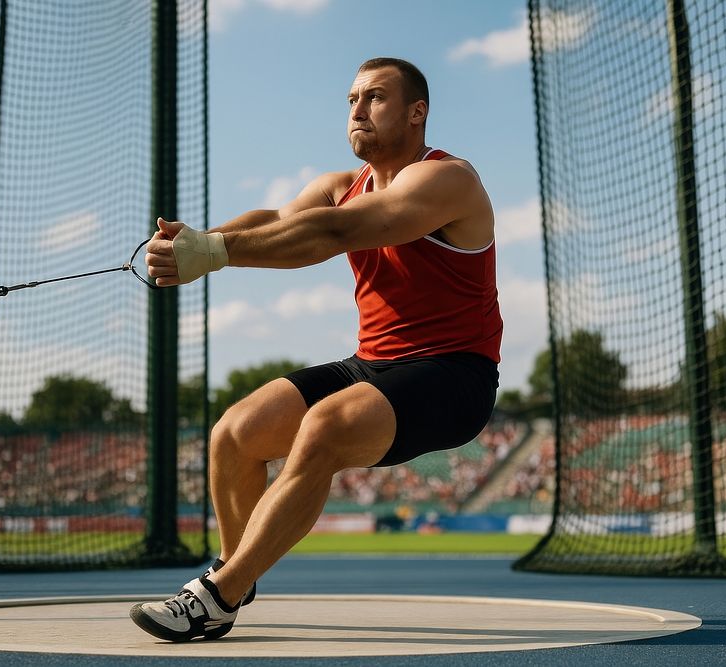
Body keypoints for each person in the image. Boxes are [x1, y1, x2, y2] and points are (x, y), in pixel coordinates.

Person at [130, 57, 503, 642]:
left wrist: (213, 254)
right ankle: (233, 575)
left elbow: (335, 232)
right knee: (234, 433)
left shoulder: (447, 179)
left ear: (417, 112)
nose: (358, 109)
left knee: (325, 427)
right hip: (372, 364)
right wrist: (198, 240)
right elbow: (279, 219)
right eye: (352, 99)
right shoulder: (338, 186)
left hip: (454, 373)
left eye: (375, 97)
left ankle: (216, 596)